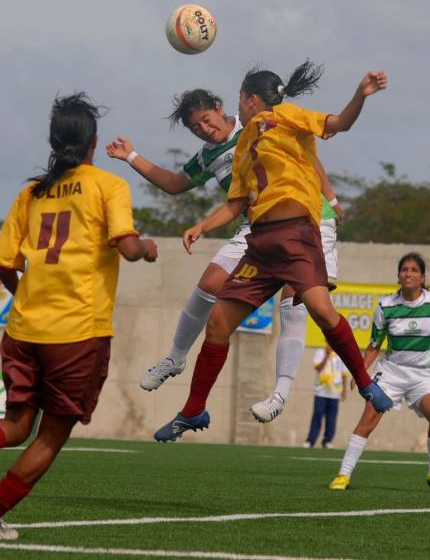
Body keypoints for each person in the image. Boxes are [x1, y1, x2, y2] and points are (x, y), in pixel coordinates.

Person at [0, 93, 158, 541]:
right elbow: (128, 248)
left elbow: (5, 266)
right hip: (77, 333)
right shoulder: (108, 186)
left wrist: (26, 299)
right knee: (50, 437)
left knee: (16, 423)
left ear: (54, 143)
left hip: (24, 330)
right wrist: (148, 247)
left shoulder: (31, 192)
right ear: (93, 144)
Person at [154, 61, 393, 442]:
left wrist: (359, 95)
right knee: (218, 323)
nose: (238, 106)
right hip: (260, 244)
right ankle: (193, 409)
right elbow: (235, 204)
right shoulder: (246, 139)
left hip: (297, 235)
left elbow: (338, 124)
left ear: (251, 99)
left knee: (320, 310)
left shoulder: (288, 115)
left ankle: (365, 384)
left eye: (239, 99)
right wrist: (201, 226)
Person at [106, 88, 343, 423]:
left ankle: (280, 393)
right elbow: (175, 183)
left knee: (298, 299)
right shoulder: (208, 155)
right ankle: (175, 358)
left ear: (220, 108)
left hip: (307, 218)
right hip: (255, 224)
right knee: (209, 282)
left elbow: (309, 154)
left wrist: (331, 200)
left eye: (206, 119)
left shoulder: (259, 123)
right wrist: (131, 157)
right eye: (195, 127)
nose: (203, 128)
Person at [328, 252, 430, 492]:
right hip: (391, 372)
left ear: (422, 277)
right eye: (404, 269)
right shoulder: (386, 306)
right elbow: (374, 345)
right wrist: (359, 371)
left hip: (423, 374)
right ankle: (343, 474)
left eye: (414, 270)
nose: (409, 273)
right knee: (369, 418)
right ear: (398, 276)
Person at [302, 346, 348, 449]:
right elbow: (318, 368)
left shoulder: (341, 353)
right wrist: (327, 356)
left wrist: (344, 390)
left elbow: (344, 373)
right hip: (321, 392)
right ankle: (310, 440)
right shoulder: (320, 352)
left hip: (335, 392)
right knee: (317, 415)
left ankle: (327, 441)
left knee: (331, 418)